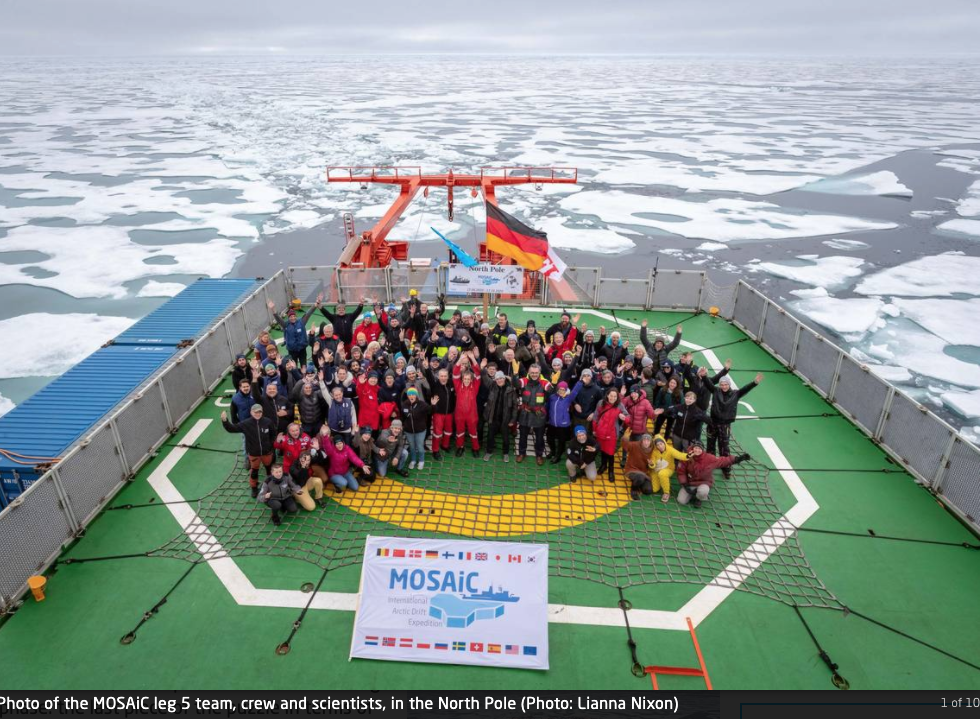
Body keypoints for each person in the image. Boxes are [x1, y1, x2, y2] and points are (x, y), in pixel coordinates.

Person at [705, 372, 763, 476]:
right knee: (710, 446)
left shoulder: (736, 394)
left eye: (725, 384)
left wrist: (754, 383)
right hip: (712, 423)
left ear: (729, 384)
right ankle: (710, 464)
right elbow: (708, 384)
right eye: (722, 384)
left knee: (724, 447)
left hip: (725, 425)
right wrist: (704, 376)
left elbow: (745, 389)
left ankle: (726, 468)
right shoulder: (715, 391)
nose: (723, 386)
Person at [221, 405, 275, 497]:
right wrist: (225, 421)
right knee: (254, 471)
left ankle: (270, 485)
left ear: (262, 412)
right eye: (255, 412)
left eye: (259, 412)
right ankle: (254, 488)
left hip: (267, 453)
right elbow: (231, 429)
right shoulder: (246, 423)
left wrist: (269, 446)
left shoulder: (268, 422)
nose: (258, 414)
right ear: (251, 412)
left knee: (269, 469)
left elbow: (273, 435)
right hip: (254, 454)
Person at [677, 441, 750, 508]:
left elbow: (723, 461)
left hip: (704, 482)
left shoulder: (709, 458)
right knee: (681, 501)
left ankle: (699, 498)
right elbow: (681, 472)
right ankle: (693, 492)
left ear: (702, 450)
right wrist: (685, 485)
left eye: (699, 448)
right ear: (692, 449)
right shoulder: (687, 457)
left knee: (703, 492)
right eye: (695, 448)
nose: (697, 450)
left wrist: (737, 459)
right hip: (690, 483)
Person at [515, 363, 552, 465]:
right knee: (523, 435)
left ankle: (539, 455)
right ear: (529, 372)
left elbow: (552, 391)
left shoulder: (544, 383)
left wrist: (553, 383)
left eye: (536, 373)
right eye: (532, 373)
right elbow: (516, 384)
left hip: (539, 414)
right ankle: (522, 453)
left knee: (539, 437)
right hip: (525, 413)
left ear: (539, 373)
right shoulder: (524, 381)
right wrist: (514, 374)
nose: (534, 374)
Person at [592, 388, 628, 482]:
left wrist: (623, 417)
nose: (612, 398)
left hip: (612, 433)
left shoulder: (619, 405)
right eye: (611, 395)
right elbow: (595, 417)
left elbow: (627, 417)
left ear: (617, 397)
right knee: (603, 450)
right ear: (607, 395)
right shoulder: (601, 403)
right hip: (600, 432)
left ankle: (611, 470)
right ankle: (603, 465)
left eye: (615, 396)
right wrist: (594, 429)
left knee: (610, 453)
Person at [483, 370, 517, 462]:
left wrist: (513, 420)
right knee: (490, 436)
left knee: (506, 438)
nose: (500, 380)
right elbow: (484, 377)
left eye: (501, 378)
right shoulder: (492, 387)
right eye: (498, 379)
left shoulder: (511, 390)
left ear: (504, 378)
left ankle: (505, 453)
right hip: (493, 418)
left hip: (505, 419)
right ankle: (489, 452)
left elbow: (514, 406)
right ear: (495, 380)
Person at [547, 380, 581, 465]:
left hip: (563, 425)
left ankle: (558, 456)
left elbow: (575, 391)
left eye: (563, 390)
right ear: (557, 389)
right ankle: (553, 451)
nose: (561, 391)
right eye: (560, 389)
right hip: (552, 423)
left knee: (561, 441)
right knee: (549, 439)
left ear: (566, 390)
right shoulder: (552, 397)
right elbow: (547, 406)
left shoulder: (568, 398)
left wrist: (580, 381)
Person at [647, 435, 687, 503]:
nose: (660, 446)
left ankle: (666, 493)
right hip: (656, 470)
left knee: (662, 474)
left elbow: (679, 455)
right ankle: (652, 479)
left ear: (664, 443)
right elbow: (653, 464)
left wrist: (688, 455)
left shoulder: (670, 450)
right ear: (656, 446)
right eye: (658, 445)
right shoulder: (654, 452)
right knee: (654, 489)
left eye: (661, 444)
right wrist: (651, 464)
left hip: (668, 469)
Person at [452, 363, 480, 457]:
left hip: (472, 415)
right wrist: (460, 360)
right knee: (460, 432)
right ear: (462, 379)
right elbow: (455, 373)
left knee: (473, 433)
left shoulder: (475, 387)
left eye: (468, 379)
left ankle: (475, 448)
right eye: (465, 379)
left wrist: (472, 359)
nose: (466, 380)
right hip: (459, 414)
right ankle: (460, 447)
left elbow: (478, 374)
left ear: (471, 379)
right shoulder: (458, 386)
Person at [400, 387, 431, 470]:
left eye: (413, 394)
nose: (411, 396)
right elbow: (402, 417)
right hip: (408, 431)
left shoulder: (422, 404)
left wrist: (434, 405)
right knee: (412, 446)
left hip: (420, 430)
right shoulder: (404, 404)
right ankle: (413, 460)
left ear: (416, 395)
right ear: (407, 396)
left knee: (420, 446)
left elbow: (431, 411)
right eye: (410, 395)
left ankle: (421, 461)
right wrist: (402, 425)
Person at [428, 366, 455, 461]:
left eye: (445, 376)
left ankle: (445, 445)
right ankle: (435, 450)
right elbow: (429, 376)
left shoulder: (451, 383)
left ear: (448, 376)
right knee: (437, 433)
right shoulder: (434, 385)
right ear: (438, 377)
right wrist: (427, 367)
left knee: (448, 431)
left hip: (449, 413)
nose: (443, 378)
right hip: (438, 413)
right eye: (441, 376)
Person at [623, 433, 656, 500]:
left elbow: (653, 464)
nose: (646, 442)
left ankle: (637, 482)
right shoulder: (635, 445)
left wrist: (651, 464)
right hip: (632, 469)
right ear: (641, 441)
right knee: (640, 477)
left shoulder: (653, 450)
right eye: (644, 440)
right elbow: (626, 445)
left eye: (648, 441)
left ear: (651, 442)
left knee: (648, 491)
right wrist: (625, 437)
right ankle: (633, 490)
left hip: (644, 472)